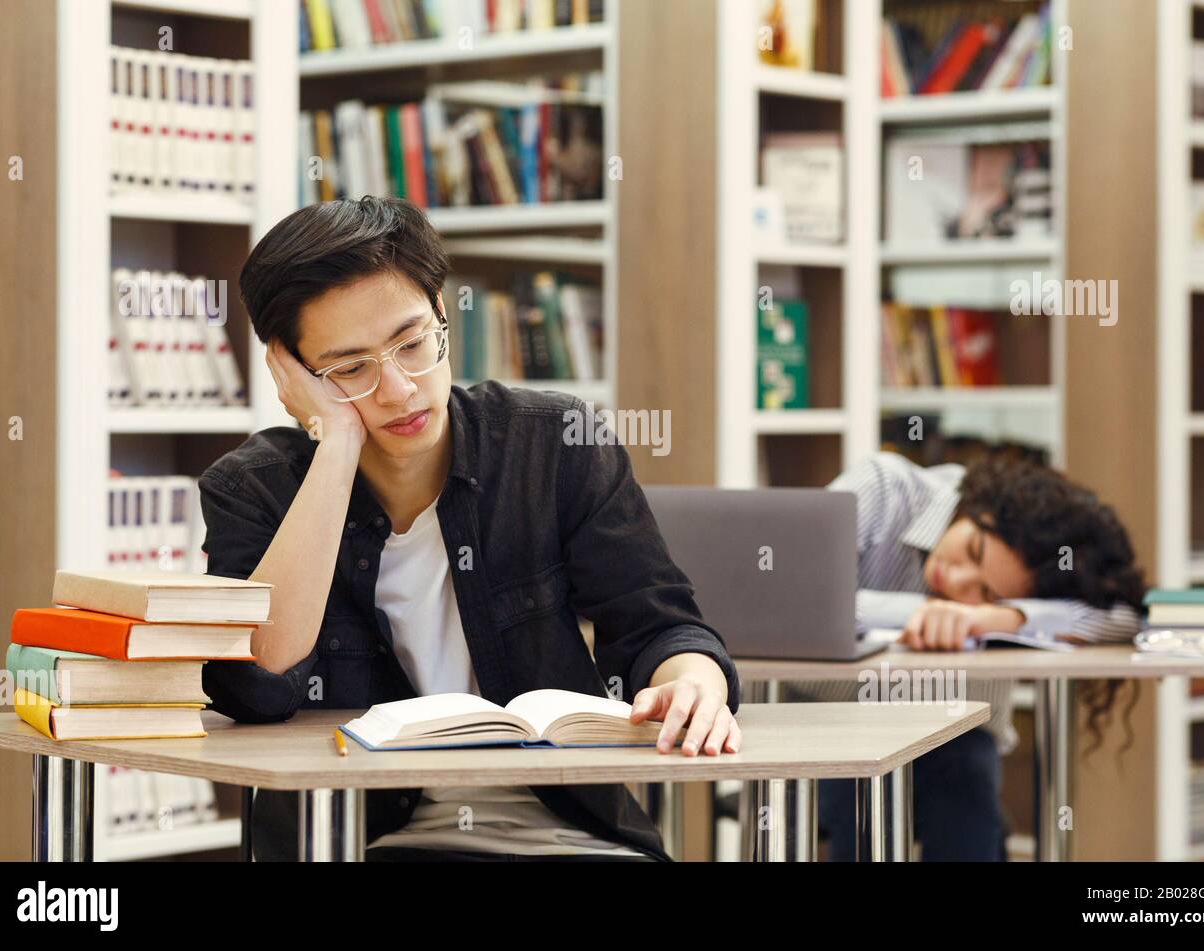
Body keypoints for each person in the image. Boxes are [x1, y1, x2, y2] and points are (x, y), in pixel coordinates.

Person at [197, 196, 742, 862]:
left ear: (442, 317)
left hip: (569, 834)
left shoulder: (552, 446)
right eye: (351, 368)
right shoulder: (253, 487)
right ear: (293, 374)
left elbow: (659, 627)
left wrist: (695, 684)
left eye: (411, 344)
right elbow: (260, 676)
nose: (398, 389)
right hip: (359, 842)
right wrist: (336, 442)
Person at [785, 450, 1146, 861]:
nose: (955, 580)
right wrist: (922, 614)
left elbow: (1126, 618)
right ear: (976, 507)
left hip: (953, 741)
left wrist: (1007, 617)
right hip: (831, 727)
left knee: (965, 770)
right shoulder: (883, 490)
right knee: (871, 786)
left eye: (987, 592)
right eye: (973, 551)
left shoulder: (1025, 590)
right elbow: (789, 590)